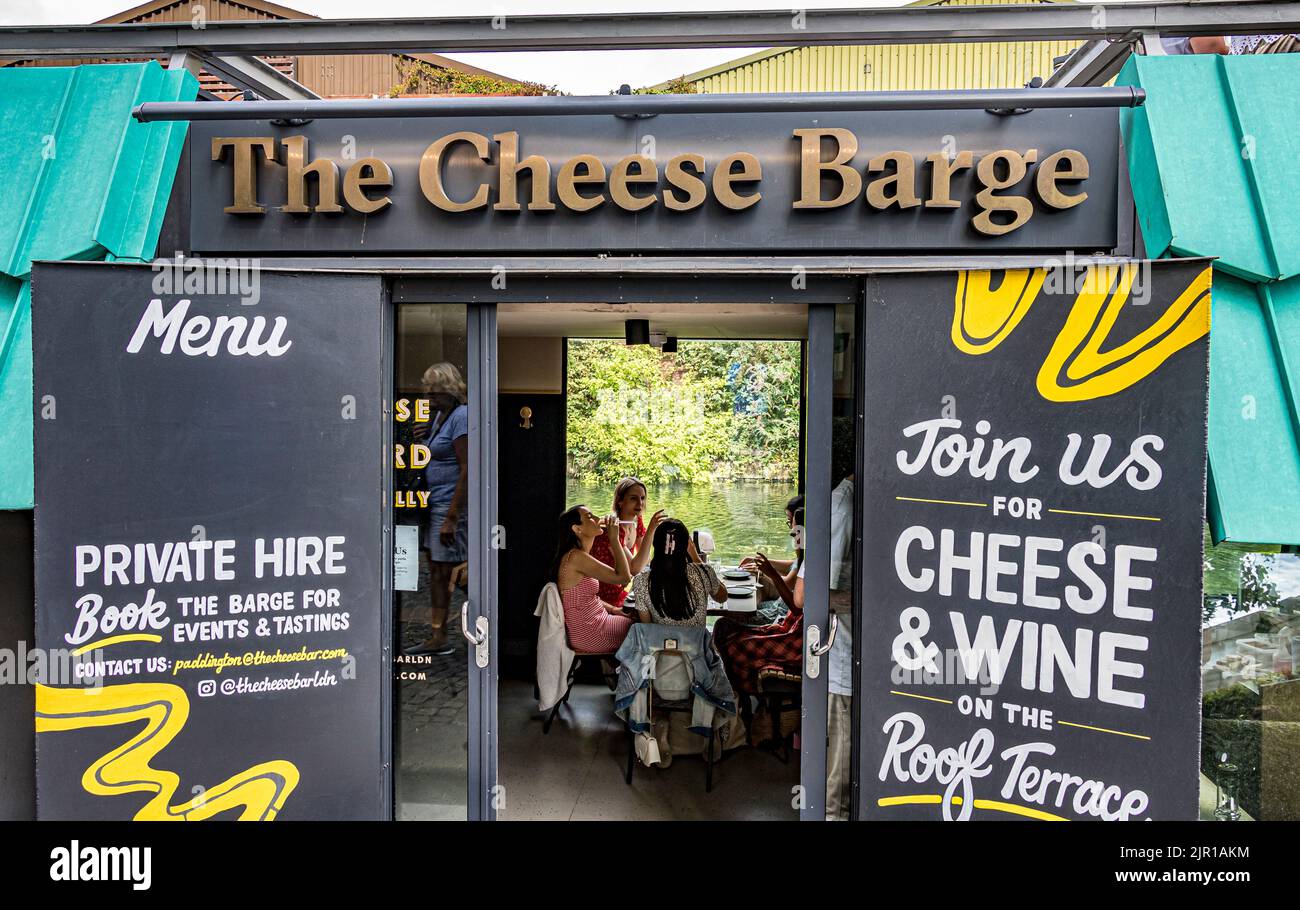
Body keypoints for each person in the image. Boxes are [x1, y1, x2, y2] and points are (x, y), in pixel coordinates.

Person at [408, 362, 468, 655]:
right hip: (435, 504)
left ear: (450, 390)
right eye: (427, 391)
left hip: (448, 506)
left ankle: (441, 636)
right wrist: (424, 439)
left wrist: (452, 517)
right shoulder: (441, 417)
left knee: (447, 573)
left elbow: (467, 468)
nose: (428, 396)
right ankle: (438, 633)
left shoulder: (461, 417)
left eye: (435, 391)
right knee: (437, 571)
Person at [552, 504, 636, 653]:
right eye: (590, 517)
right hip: (591, 632)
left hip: (591, 626)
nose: (597, 518)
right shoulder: (576, 557)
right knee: (643, 628)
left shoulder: (578, 555)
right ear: (577, 529)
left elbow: (586, 598)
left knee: (638, 621)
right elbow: (624, 578)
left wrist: (613, 609)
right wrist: (614, 539)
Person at [631, 518, 729, 627]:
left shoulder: (641, 581)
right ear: (687, 546)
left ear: (655, 545)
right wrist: (696, 558)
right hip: (696, 638)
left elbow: (647, 626)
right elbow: (722, 597)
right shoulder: (704, 573)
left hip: (660, 638)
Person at [589, 476, 664, 609]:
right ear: (620, 501)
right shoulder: (612, 529)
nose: (640, 503)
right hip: (603, 599)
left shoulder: (636, 521)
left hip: (620, 591)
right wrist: (651, 529)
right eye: (633, 498)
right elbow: (635, 568)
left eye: (642, 498)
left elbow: (645, 559)